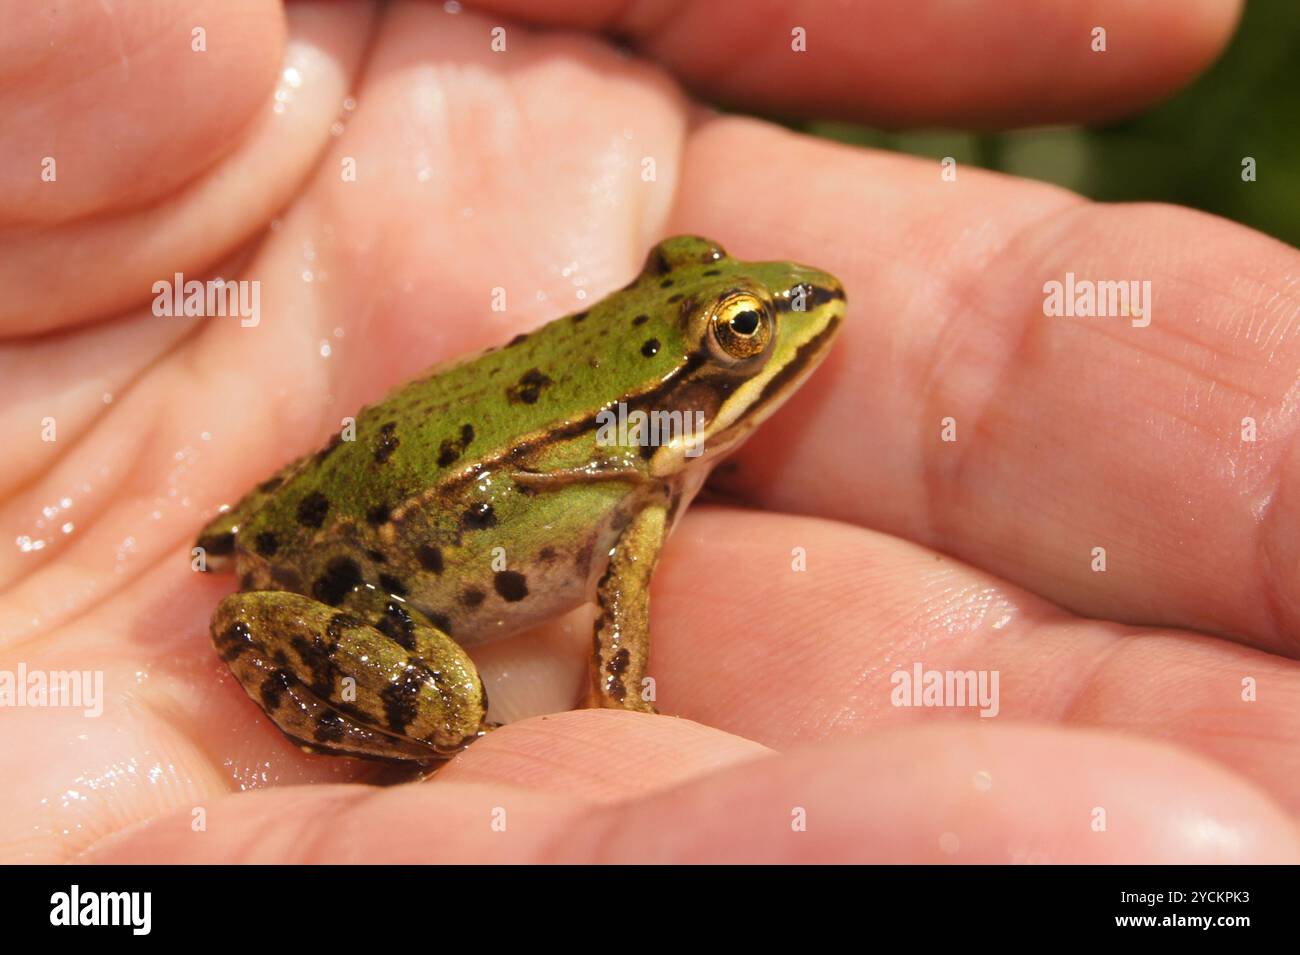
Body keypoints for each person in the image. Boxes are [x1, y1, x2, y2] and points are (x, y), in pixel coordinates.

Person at [3, 0, 1296, 863]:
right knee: (449, 711)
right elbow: (616, 664)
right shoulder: (635, 490)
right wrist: (618, 736)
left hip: (319, 501)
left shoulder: (645, 461)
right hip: (356, 570)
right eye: (736, 334)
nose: (791, 317)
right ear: (677, 383)